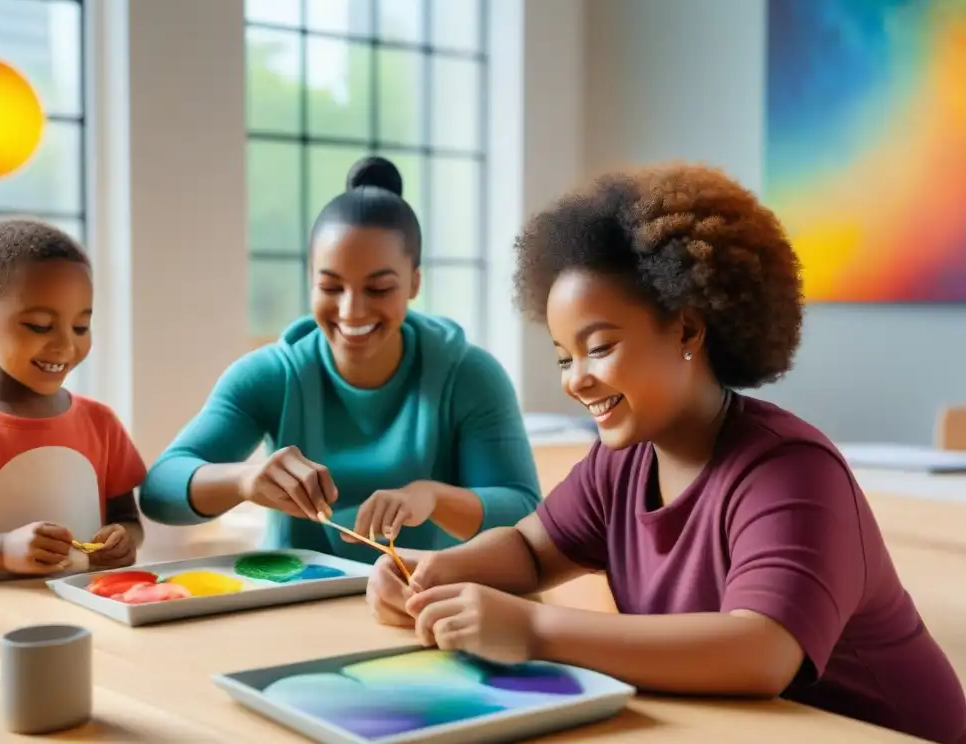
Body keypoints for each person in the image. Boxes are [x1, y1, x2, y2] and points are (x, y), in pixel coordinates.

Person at [365, 164, 966, 744]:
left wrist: (532, 629)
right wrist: (435, 569)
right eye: (563, 357)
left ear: (686, 330)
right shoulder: (622, 460)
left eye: (599, 347)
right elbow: (529, 549)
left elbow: (760, 653)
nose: (575, 380)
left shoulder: (793, 473)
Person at [139, 157, 541, 563]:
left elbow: (524, 511)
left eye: (379, 288)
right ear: (310, 278)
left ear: (414, 282)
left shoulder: (468, 376)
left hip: (426, 603)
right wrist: (243, 481)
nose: (351, 311)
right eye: (331, 286)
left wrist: (432, 497)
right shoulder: (271, 375)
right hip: (295, 603)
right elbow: (159, 491)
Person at [0, 218, 146, 586]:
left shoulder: (101, 423)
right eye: (39, 325)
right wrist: (1, 549)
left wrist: (123, 539)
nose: (66, 346)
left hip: (92, 615)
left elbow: (129, 522)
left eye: (81, 327)